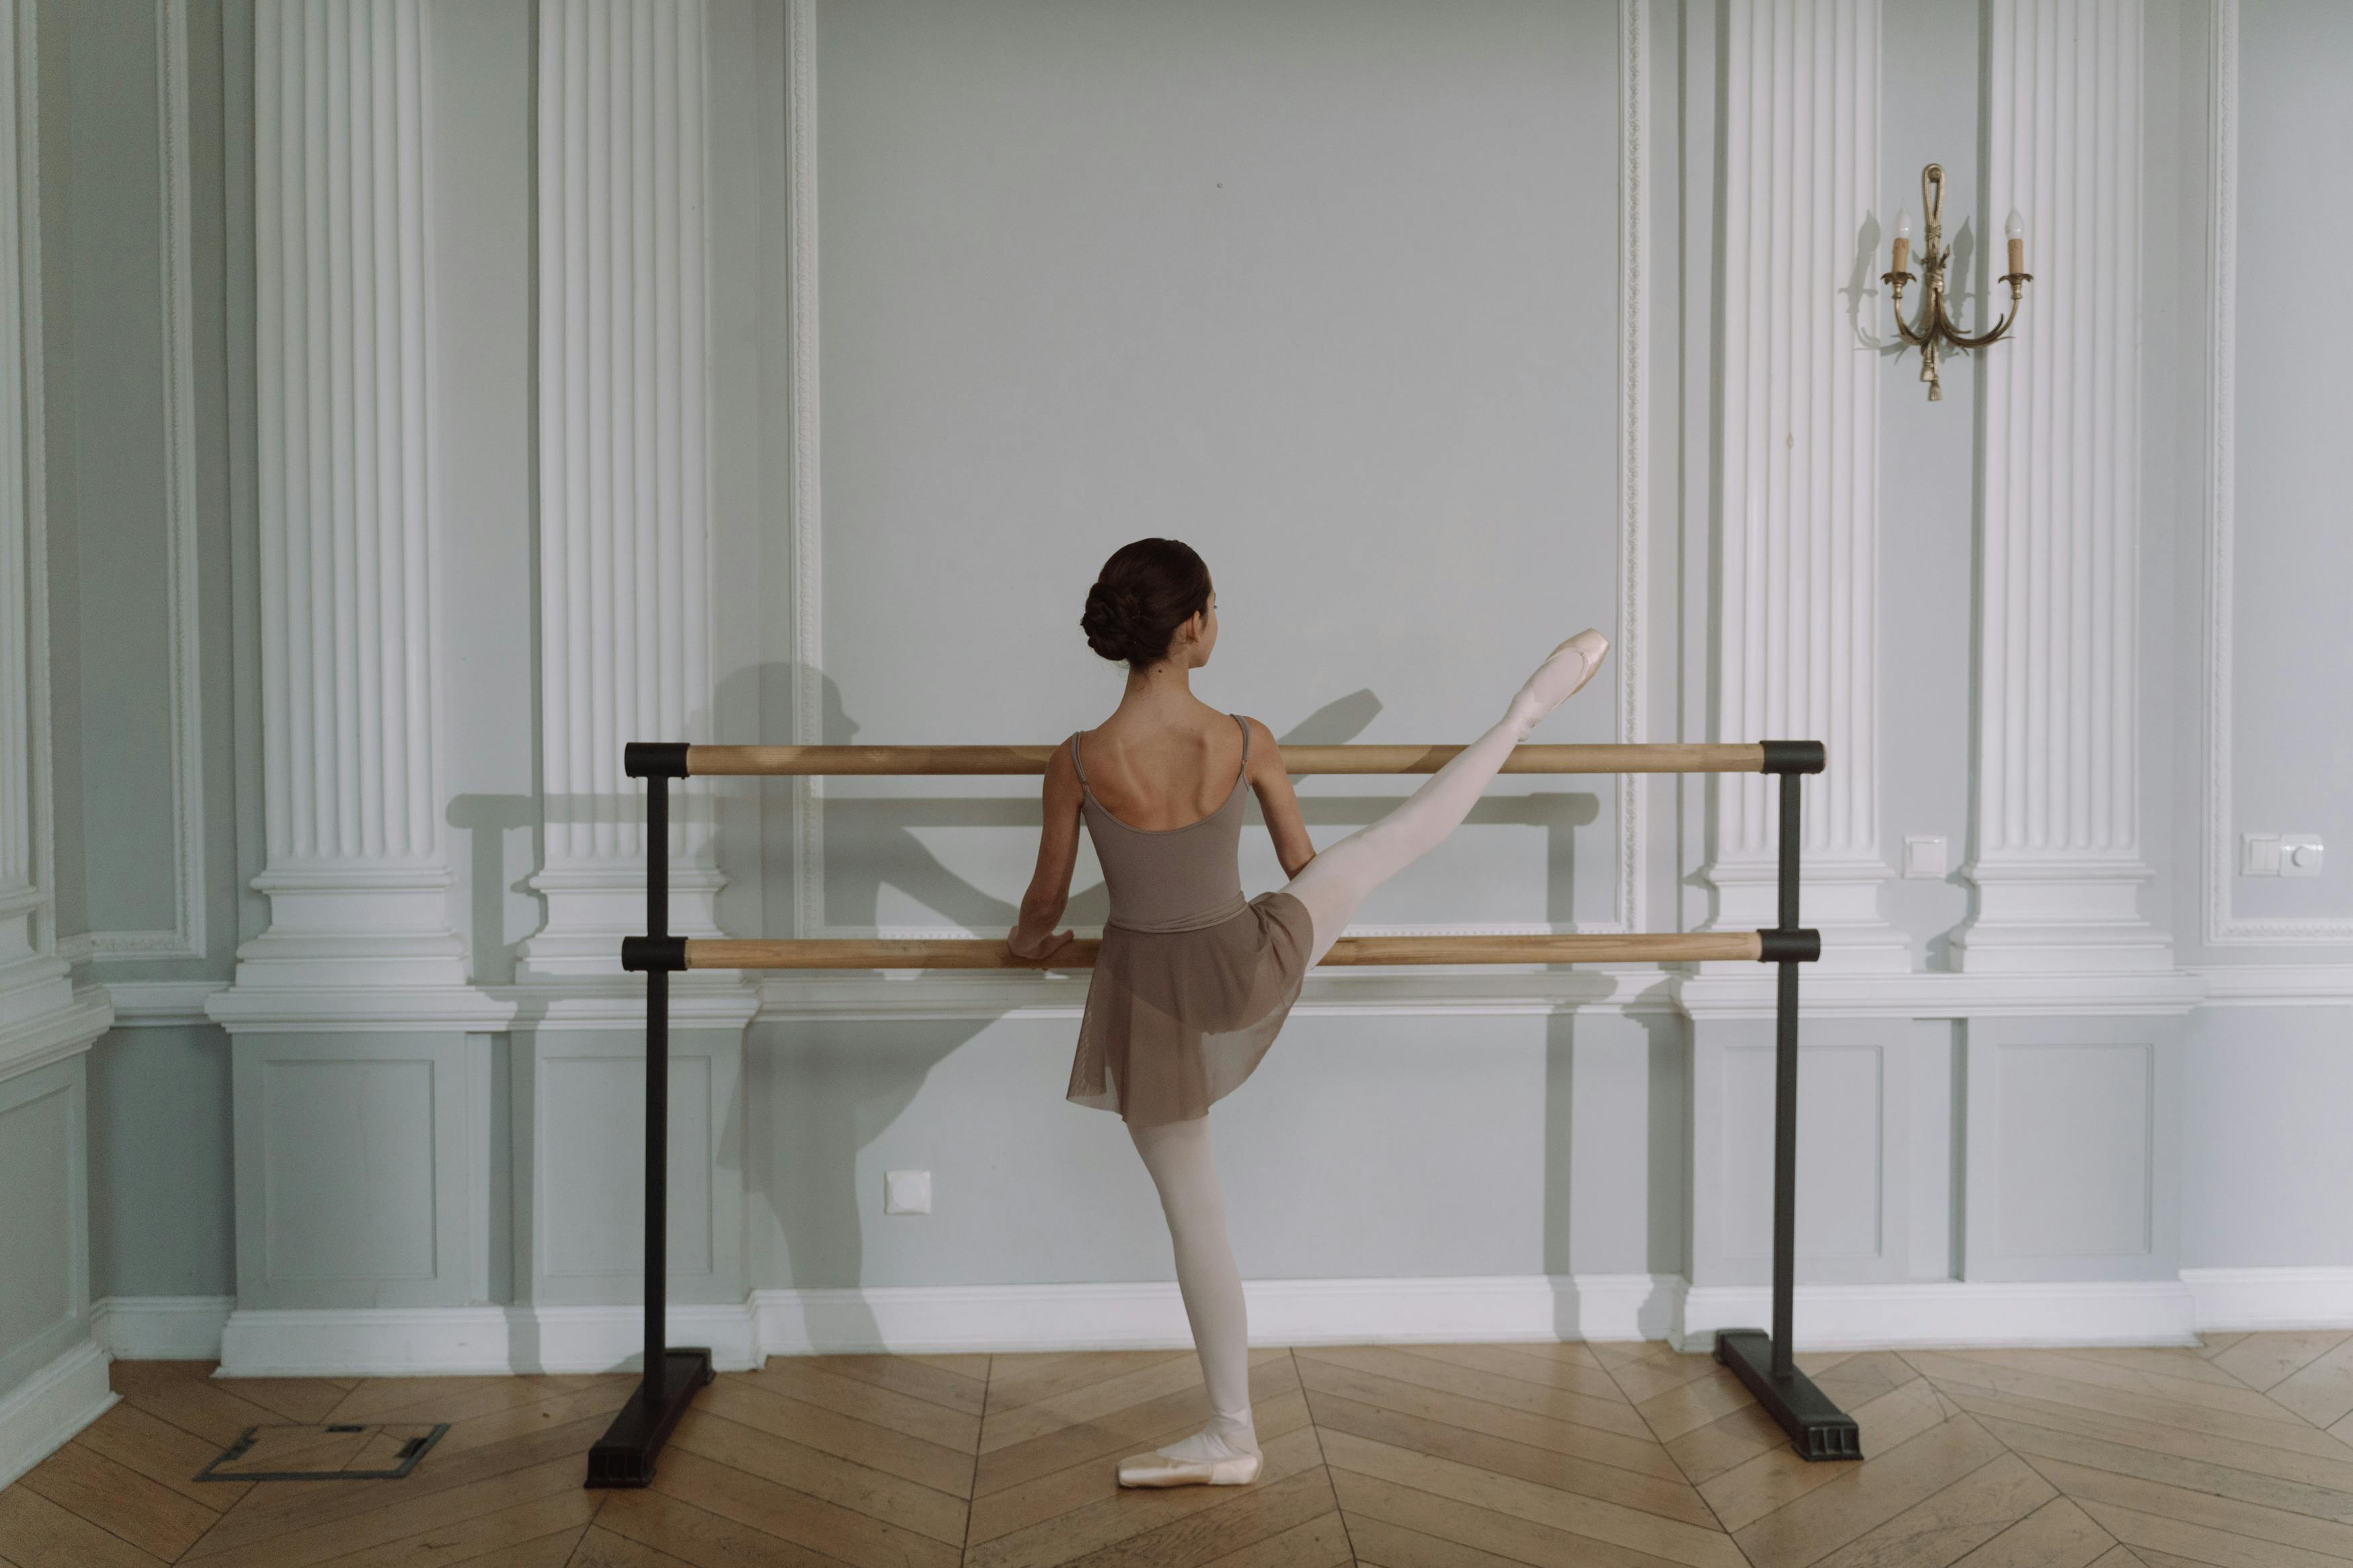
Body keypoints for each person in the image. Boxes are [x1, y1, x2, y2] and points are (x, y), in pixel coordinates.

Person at [1006, 537, 1608, 1488]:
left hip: (1141, 997)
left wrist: (1030, 946)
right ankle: (1522, 715)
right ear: (1195, 624)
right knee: (1382, 847)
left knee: (1196, 1218)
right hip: (1244, 962)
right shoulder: (1245, 738)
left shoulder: (1076, 763)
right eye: (1215, 608)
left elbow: (1045, 900)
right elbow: (1301, 866)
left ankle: (1231, 1430)